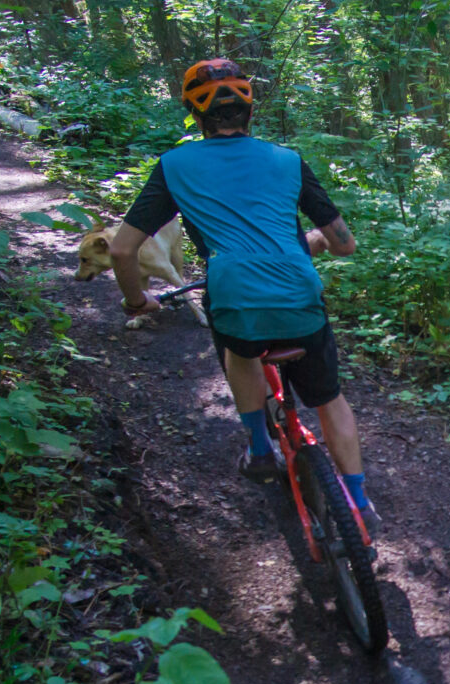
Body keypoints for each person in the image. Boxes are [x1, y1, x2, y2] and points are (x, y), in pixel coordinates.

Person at [108, 59, 378, 529]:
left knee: (241, 350)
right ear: (250, 110)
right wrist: (308, 244)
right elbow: (342, 243)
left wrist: (137, 302)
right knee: (329, 399)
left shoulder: (175, 166)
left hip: (234, 295)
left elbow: (121, 250)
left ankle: (259, 449)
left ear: (193, 113)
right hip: (299, 291)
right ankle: (359, 505)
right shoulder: (287, 160)